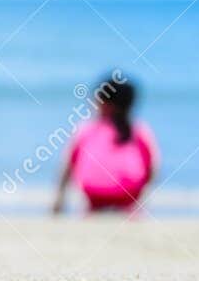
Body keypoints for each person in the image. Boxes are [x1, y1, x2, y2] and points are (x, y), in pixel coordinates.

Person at [52, 75, 160, 216]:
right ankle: (133, 211)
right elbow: (152, 167)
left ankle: (91, 212)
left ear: (104, 102)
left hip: (94, 193)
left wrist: (59, 200)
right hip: (129, 194)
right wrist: (143, 198)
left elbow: (67, 166)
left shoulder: (87, 129)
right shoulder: (138, 130)